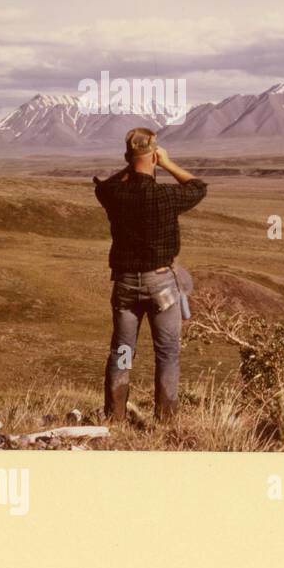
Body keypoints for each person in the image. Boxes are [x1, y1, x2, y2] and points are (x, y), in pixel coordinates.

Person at [93, 127, 207, 422]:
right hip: (162, 285)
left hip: (125, 284)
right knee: (167, 353)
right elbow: (198, 186)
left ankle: (114, 419)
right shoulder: (166, 196)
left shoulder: (113, 194)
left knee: (123, 352)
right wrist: (166, 163)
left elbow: (102, 186)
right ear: (154, 156)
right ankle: (167, 421)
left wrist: (132, 164)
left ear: (128, 158)